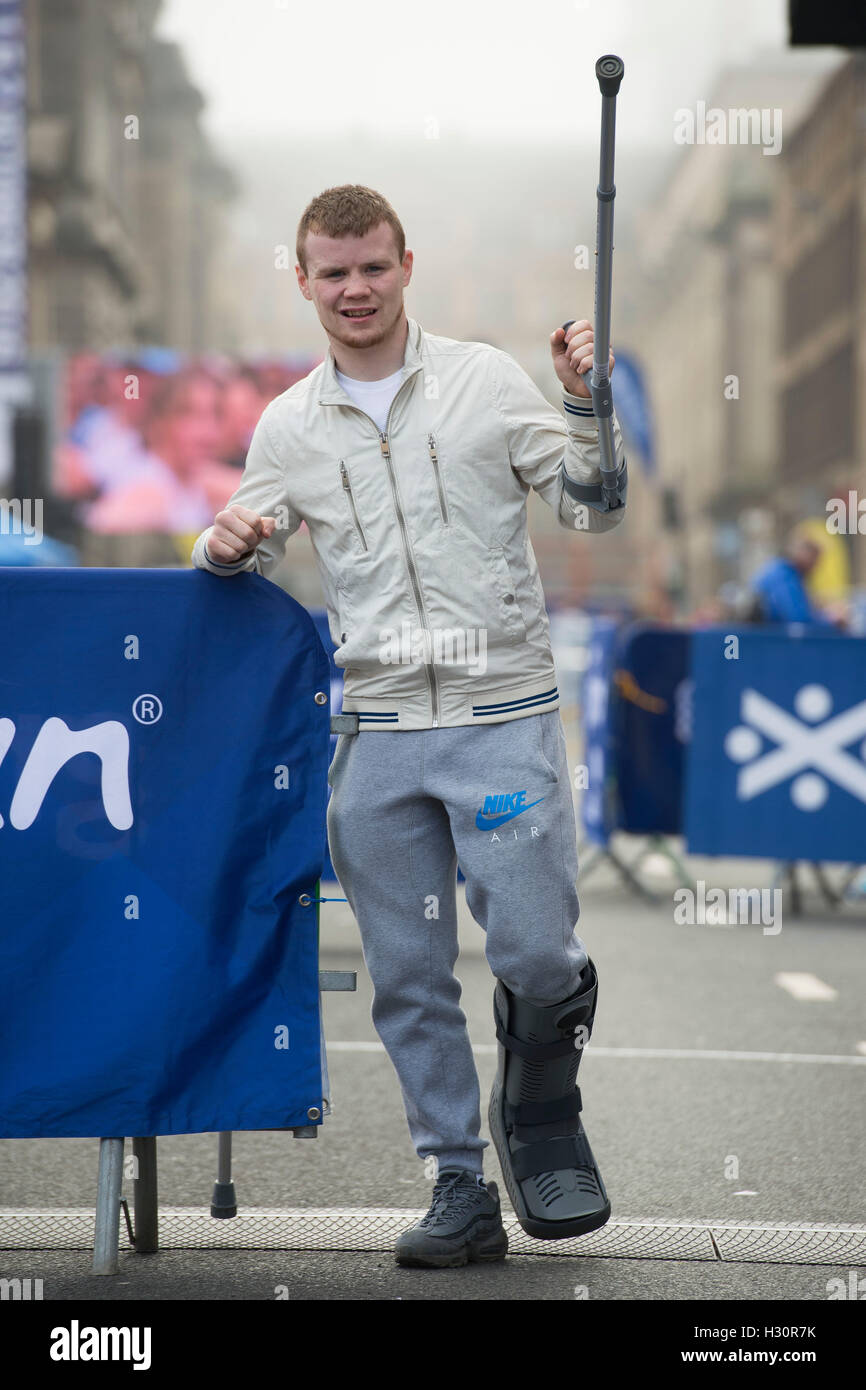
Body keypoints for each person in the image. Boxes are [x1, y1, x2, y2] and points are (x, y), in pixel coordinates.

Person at [191, 185, 628, 1269]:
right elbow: (245, 544)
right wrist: (222, 543)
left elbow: (591, 508)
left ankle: (538, 1104)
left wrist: (584, 405)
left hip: (502, 719)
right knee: (408, 976)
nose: (353, 289)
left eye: (371, 267)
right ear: (302, 280)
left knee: (531, 947)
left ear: (405, 265)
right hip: (376, 733)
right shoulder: (288, 424)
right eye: (331, 271)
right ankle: (457, 1182)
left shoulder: (484, 379)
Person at [748, 534, 838, 626]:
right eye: (815, 558)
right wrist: (831, 621)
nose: (816, 566)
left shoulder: (785, 572)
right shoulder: (783, 576)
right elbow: (798, 620)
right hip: (767, 637)